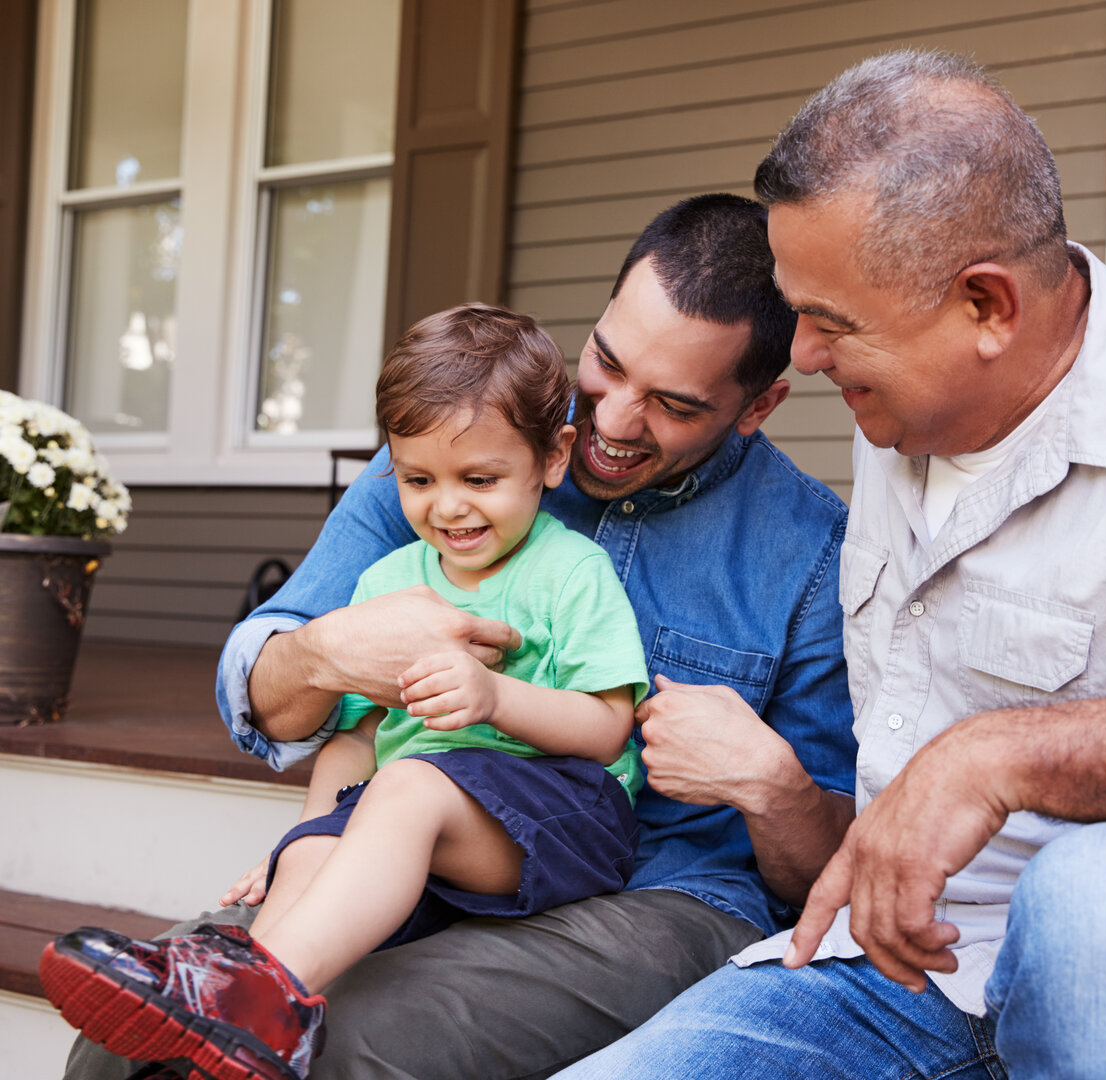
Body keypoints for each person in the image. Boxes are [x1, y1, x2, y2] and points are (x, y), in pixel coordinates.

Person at [549, 50, 1106, 1080]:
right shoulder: (906, 418)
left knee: (1102, 890)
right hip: (901, 976)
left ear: (987, 307)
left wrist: (1000, 756)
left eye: (832, 324)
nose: (799, 358)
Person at [61, 194, 856, 1080]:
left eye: (672, 404)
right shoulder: (456, 448)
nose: (616, 422)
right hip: (420, 839)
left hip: (662, 888)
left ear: (759, 404)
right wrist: (328, 658)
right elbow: (277, 687)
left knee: (352, 1041)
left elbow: (825, 868)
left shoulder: (814, 554)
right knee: (124, 1046)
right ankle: (255, 986)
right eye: (606, 362)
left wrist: (773, 787)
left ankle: (266, 998)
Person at [44, 304, 655, 1079]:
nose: (448, 505)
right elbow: (356, 738)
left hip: (566, 817)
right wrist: (300, 840)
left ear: (553, 457)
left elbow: (607, 728)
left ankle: (261, 995)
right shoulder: (388, 583)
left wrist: (496, 699)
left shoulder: (569, 572)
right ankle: (238, 1017)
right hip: (427, 820)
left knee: (402, 788)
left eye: (481, 478)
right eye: (418, 479)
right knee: (330, 835)